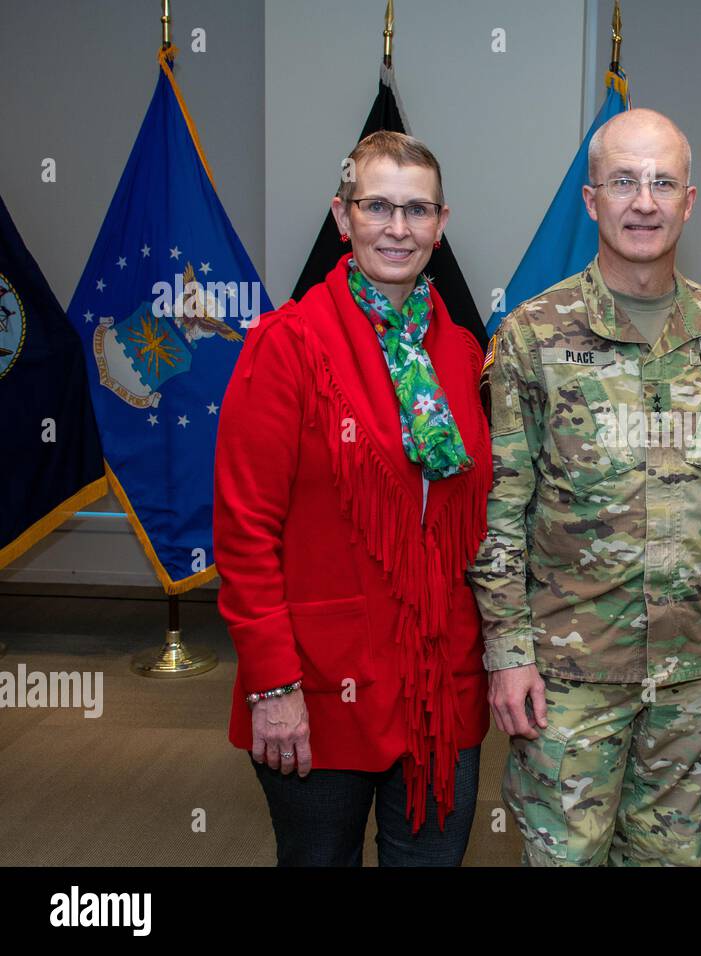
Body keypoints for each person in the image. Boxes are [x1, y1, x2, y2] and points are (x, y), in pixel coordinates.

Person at [469, 108, 701, 866]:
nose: (644, 201)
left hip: (693, 672)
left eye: (662, 182)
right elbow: (500, 511)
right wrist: (507, 652)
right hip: (570, 673)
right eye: (624, 181)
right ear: (591, 200)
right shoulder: (532, 336)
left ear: (689, 200)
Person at [213, 130, 492, 866]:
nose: (398, 229)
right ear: (343, 217)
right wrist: (272, 685)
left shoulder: (462, 354)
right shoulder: (286, 345)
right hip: (319, 687)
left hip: (439, 691)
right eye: (377, 206)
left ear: (442, 222)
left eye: (417, 210)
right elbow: (244, 533)